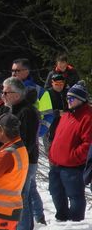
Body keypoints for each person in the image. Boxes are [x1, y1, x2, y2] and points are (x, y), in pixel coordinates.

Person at [0, 77, 40, 230]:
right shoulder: (12, 110)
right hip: (19, 160)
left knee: (20, 198)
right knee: (22, 197)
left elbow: (27, 141)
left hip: (25, 161)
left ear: (16, 94)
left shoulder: (27, 112)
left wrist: (15, 159)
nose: (3, 95)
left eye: (6, 92)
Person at [48, 81, 92, 221]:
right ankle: (61, 218)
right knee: (56, 192)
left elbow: (88, 144)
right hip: (56, 164)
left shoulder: (88, 117)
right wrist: (52, 153)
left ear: (81, 100)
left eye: (71, 99)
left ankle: (76, 221)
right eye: (67, 98)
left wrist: (73, 157)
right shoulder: (67, 115)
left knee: (75, 196)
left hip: (72, 166)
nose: (68, 101)